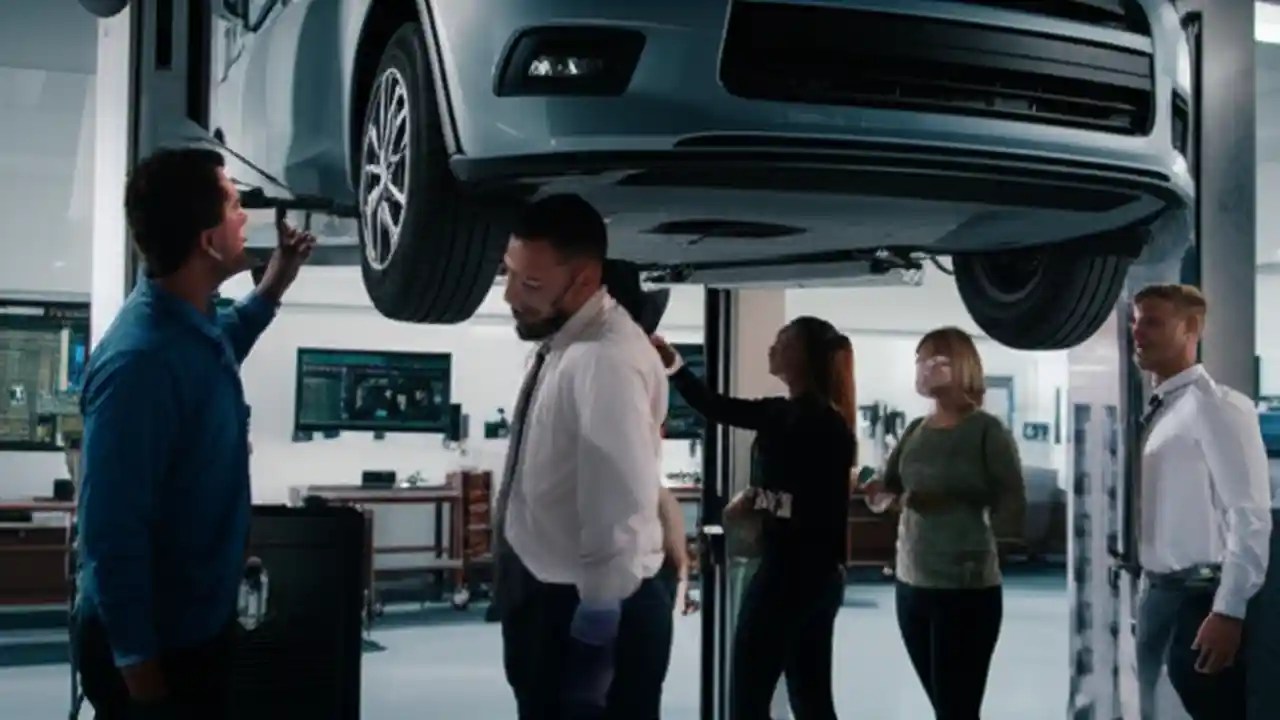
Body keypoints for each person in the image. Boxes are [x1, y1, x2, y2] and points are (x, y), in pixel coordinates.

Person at [74, 147, 314, 719]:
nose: (246, 217)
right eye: (234, 204)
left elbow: (222, 342)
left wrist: (274, 284)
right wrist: (141, 672)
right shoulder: (139, 364)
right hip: (155, 651)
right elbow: (111, 533)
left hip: (195, 627)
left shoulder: (189, 320)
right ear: (208, 241)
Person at [493, 193, 673, 720]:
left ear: (585, 281)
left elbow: (620, 502)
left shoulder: (604, 360)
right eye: (508, 273)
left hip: (588, 611)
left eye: (530, 284)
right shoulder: (564, 341)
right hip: (552, 596)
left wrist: (595, 629)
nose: (509, 295)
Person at [652, 316, 856, 720]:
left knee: (752, 692)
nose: (771, 348)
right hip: (811, 574)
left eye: (781, 341)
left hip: (795, 574)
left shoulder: (822, 425)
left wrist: (757, 499)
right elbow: (715, 406)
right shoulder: (787, 413)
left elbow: (816, 508)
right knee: (809, 695)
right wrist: (673, 363)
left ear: (801, 356)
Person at [863, 326, 1025, 720]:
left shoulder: (986, 430)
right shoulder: (916, 430)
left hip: (965, 587)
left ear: (960, 366)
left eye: (933, 360)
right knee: (942, 703)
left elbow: (1012, 501)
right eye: (919, 361)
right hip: (913, 581)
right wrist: (878, 495)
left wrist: (962, 510)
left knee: (957, 707)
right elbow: (891, 489)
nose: (922, 369)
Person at [1125, 284, 1271, 720]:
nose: (1138, 333)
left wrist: (1229, 610)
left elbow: (1249, 516)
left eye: (1152, 322)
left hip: (1197, 596)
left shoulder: (1218, 408)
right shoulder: (1164, 409)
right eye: (1135, 321)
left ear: (1191, 329)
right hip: (1157, 591)